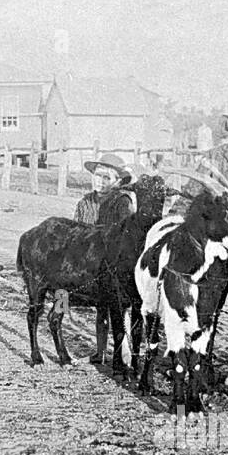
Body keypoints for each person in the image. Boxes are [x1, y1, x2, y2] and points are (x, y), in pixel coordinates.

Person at [73, 154, 137, 366]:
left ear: (118, 180)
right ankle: (98, 351)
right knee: (61, 293)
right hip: (91, 262)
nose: (100, 181)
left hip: (117, 264)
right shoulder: (85, 202)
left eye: (106, 177)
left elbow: (124, 237)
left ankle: (125, 353)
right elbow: (76, 233)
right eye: (97, 176)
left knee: (120, 308)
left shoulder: (122, 202)